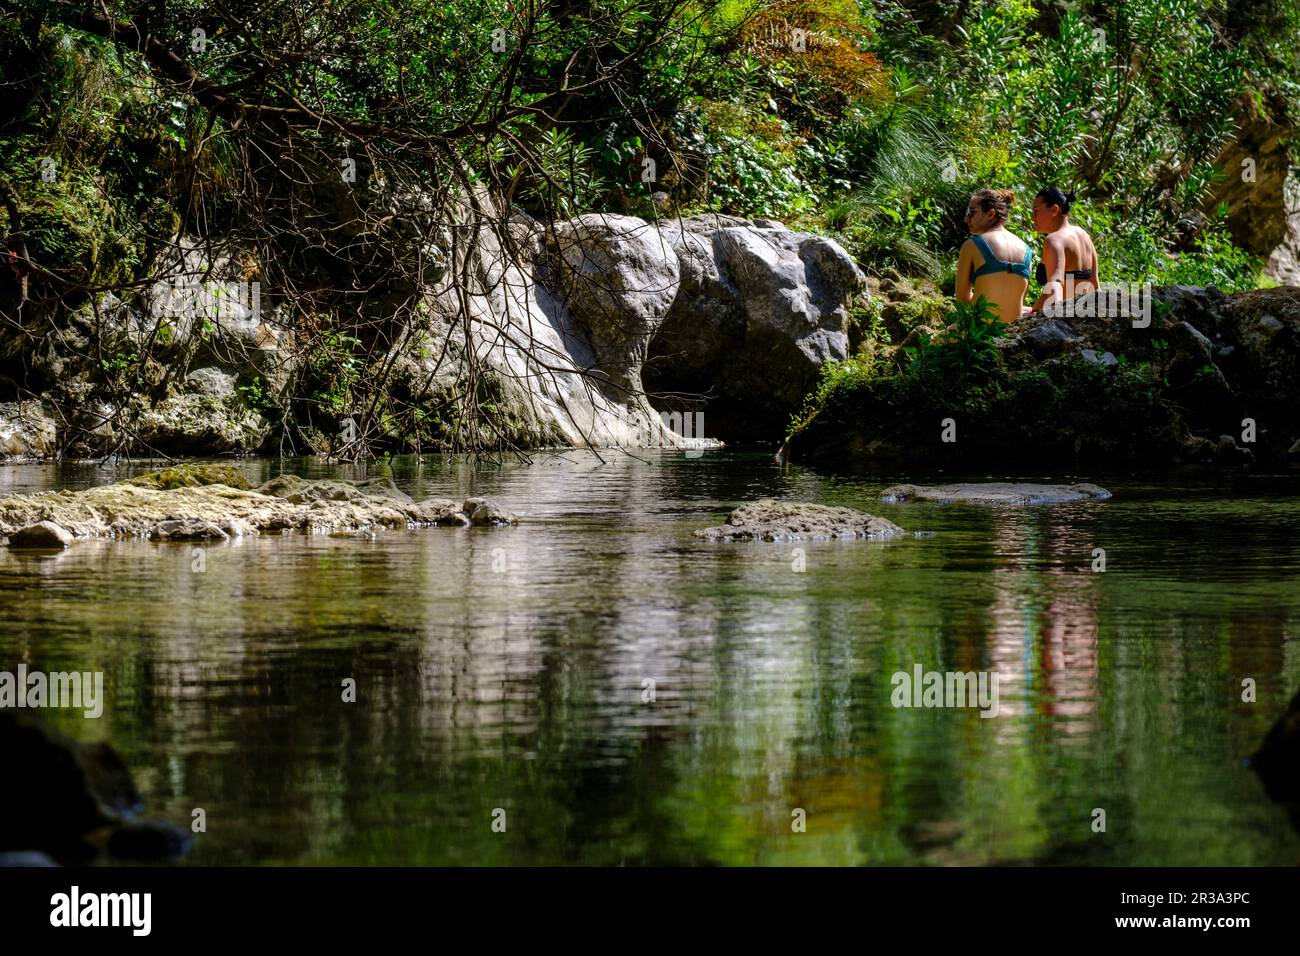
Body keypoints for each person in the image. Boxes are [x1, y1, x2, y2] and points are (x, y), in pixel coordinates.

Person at [955, 188, 1032, 325]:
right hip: (1011, 333)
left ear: (990, 214)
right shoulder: (1027, 251)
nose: (966, 219)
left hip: (979, 330)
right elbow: (1014, 304)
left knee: (931, 343)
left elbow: (962, 302)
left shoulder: (972, 245)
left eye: (972, 212)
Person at [1026, 187, 1098, 315]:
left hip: (1063, 315)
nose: (1033, 218)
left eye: (1036, 211)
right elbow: (1095, 285)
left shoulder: (1054, 240)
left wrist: (1055, 321)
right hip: (1082, 312)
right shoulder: (1084, 235)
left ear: (1054, 210)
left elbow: (1056, 283)